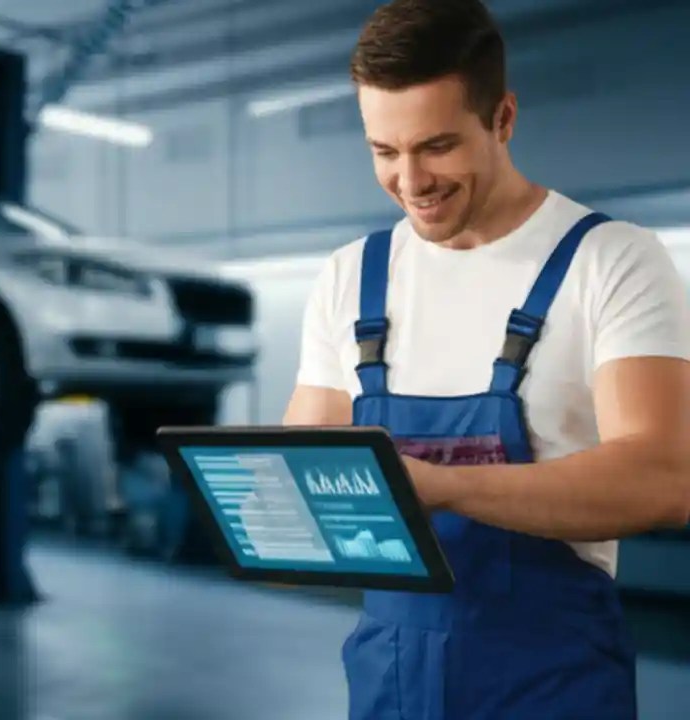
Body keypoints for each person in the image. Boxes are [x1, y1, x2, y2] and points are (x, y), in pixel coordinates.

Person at [281, 0, 690, 717]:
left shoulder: (612, 261)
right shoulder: (351, 276)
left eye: (436, 146)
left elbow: (663, 477)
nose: (410, 181)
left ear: (502, 118)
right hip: (388, 677)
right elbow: (305, 463)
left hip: (551, 681)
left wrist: (438, 488)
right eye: (384, 151)